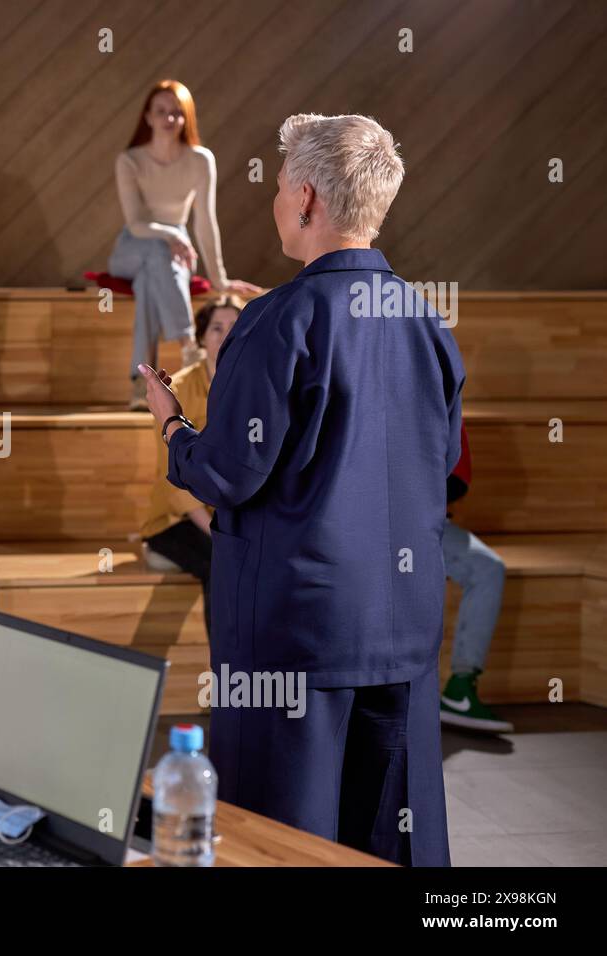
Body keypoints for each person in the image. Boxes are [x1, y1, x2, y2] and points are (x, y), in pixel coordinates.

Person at [141, 113, 464, 866]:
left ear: (310, 199)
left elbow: (225, 473)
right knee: (392, 845)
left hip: (296, 640)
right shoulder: (427, 321)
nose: (276, 200)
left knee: (279, 846)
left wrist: (172, 430)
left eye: (282, 185)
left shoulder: (274, 320)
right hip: (404, 634)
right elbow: (441, 462)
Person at [111, 80, 260, 411]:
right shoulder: (129, 160)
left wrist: (219, 278)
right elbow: (136, 223)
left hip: (173, 253)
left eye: (177, 113)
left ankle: (140, 383)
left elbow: (206, 220)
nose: (169, 118)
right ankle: (189, 345)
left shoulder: (200, 159)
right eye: (161, 111)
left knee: (152, 279)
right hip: (134, 246)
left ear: (186, 118)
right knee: (154, 253)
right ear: (147, 117)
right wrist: (171, 235)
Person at [140, 295, 244, 633]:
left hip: (230, 513)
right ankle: (226, 674)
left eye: (233, 327)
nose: (225, 335)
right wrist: (220, 535)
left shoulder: (252, 388)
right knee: (222, 564)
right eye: (216, 328)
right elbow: (175, 480)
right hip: (177, 520)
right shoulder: (179, 388)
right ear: (201, 337)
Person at [440, 423, 514, 733]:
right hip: (374, 522)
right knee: (486, 569)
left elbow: (457, 476)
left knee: (487, 567)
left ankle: (459, 691)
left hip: (417, 521)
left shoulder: (441, 386)